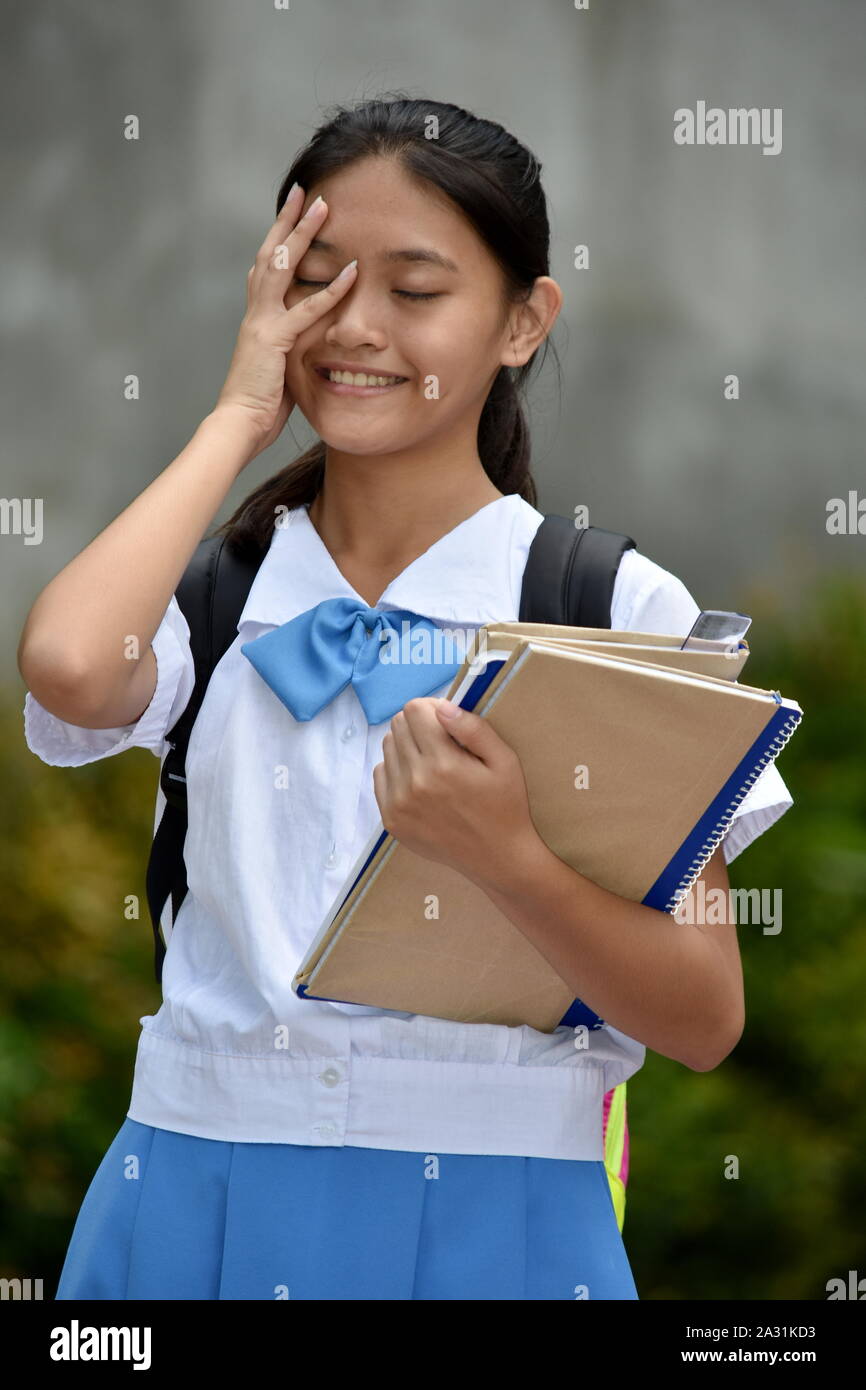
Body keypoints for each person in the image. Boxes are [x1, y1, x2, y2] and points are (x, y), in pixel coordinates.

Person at [18, 95, 793, 1301]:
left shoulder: (612, 605)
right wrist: (237, 415)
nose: (354, 326)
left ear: (524, 320)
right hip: (191, 1194)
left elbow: (701, 1017)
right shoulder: (220, 591)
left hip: (502, 1220)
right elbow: (68, 665)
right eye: (317, 281)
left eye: (415, 290)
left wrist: (509, 859)